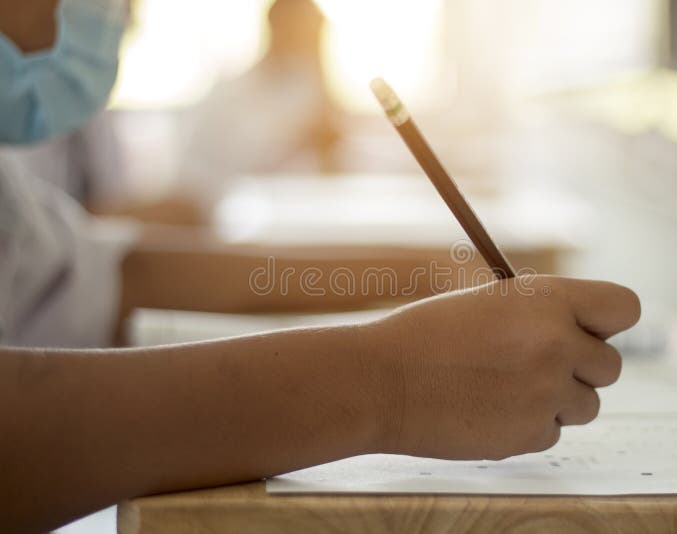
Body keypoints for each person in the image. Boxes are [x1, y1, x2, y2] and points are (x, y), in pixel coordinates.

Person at [0, 0, 641, 532]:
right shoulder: (237, 94)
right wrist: (395, 382)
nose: (119, 14)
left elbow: (118, 274)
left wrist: (436, 272)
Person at [180, 0, 341, 208]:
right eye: (302, 29)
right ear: (276, 27)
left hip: (285, 212)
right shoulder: (231, 94)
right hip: (223, 210)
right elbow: (239, 171)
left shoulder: (306, 92)